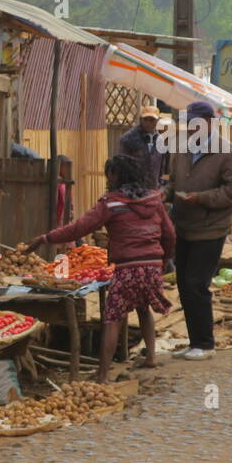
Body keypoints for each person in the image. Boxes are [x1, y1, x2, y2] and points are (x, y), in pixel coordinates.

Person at [29, 155, 175, 382]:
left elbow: (78, 229)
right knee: (143, 308)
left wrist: (45, 238)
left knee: (112, 318)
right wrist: (163, 261)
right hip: (152, 266)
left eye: (109, 174)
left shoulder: (111, 203)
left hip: (126, 267)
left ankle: (103, 374)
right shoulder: (154, 201)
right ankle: (151, 358)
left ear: (115, 175)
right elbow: (170, 235)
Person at [165, 100, 232, 361]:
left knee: (196, 284)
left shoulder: (226, 151)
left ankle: (205, 344)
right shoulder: (181, 150)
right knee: (185, 286)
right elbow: (173, 183)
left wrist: (201, 198)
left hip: (211, 228)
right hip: (183, 225)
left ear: (210, 123)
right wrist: (162, 193)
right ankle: (194, 341)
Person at [118, 104, 165, 190]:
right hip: (133, 190)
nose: (148, 123)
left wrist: (160, 186)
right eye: (145, 119)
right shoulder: (129, 139)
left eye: (152, 120)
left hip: (153, 190)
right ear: (140, 120)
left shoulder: (160, 140)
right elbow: (122, 166)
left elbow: (161, 167)